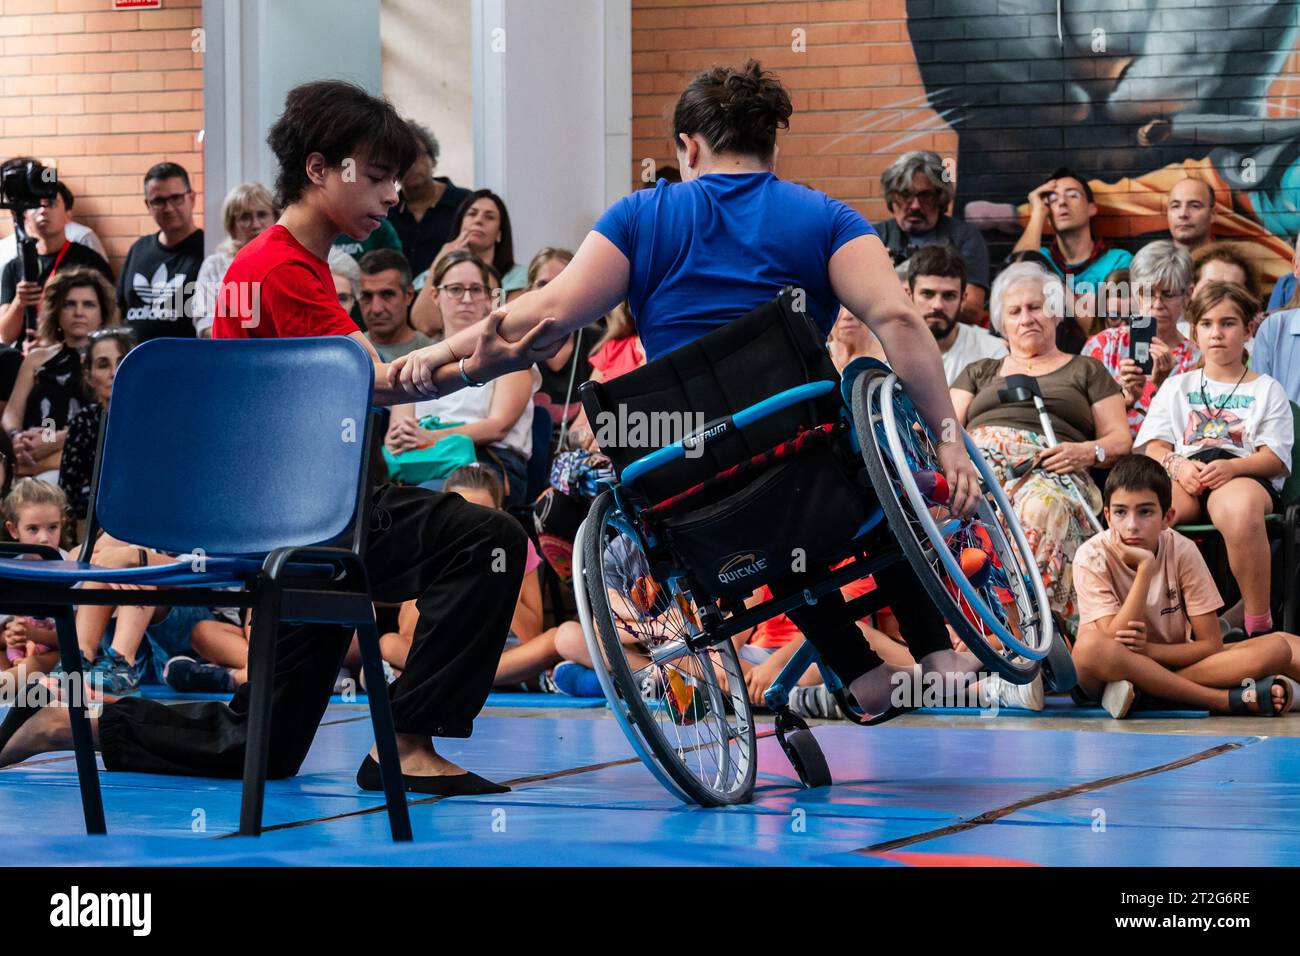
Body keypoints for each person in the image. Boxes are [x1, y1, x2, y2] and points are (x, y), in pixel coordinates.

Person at [0, 79, 553, 798]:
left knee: (256, 744)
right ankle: (408, 745)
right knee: (489, 540)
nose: (391, 197)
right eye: (377, 177)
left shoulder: (281, 264)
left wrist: (481, 352)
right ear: (321, 170)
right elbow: (379, 382)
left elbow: (376, 378)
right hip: (315, 520)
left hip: (293, 520)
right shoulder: (280, 267)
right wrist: (490, 342)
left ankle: (80, 726)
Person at [391, 59, 988, 722]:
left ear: (689, 146)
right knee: (850, 466)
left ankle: (861, 673)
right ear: (773, 147)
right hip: (805, 456)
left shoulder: (643, 215)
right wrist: (946, 439)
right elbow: (899, 320)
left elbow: (544, 316)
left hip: (687, 475)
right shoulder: (824, 217)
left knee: (764, 515)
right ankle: (934, 654)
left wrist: (430, 361)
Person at [952, 261, 1131, 621]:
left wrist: (1085, 451)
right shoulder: (980, 371)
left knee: (1042, 508)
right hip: (980, 470)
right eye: (1015, 311)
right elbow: (945, 430)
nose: (1027, 318)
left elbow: (1120, 440)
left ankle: (1029, 627)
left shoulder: (1085, 369)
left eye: (1036, 307)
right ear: (1002, 326)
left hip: (1050, 470)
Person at [1072, 455, 1294, 718]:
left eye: (1145, 512)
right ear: (1107, 516)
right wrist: (1145, 569)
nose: (1131, 525)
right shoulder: (1091, 555)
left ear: (1167, 517)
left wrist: (1149, 651)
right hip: (1109, 670)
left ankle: (1148, 695)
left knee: (1277, 649)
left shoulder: (1183, 550)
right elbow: (1116, 641)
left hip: (1171, 661)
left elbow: (1209, 645)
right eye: (1121, 512)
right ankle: (1220, 700)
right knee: (1089, 647)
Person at [1136, 281, 1293, 639]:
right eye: (1206, 324)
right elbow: (1154, 447)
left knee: (1237, 510)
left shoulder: (1266, 388)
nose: (1216, 333)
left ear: (1248, 329)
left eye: (1228, 323)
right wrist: (1178, 466)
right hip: (1187, 472)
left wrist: (1234, 467)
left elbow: (1274, 457)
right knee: (1147, 513)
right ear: (1194, 332)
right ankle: (1161, 625)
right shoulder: (1178, 386)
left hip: (1243, 473)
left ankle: (1257, 625)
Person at [386, 250, 540, 509]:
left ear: (488, 297)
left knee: (431, 500)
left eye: (476, 289)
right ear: (435, 295)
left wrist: (434, 437)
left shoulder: (511, 354)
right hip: (423, 459)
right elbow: (398, 433)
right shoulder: (414, 360)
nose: (467, 299)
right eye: (455, 289)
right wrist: (409, 438)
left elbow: (498, 426)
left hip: (488, 461)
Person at [3, 268, 117, 481]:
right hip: (30, 453)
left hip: (86, 465)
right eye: (69, 304)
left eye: (89, 304)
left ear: (103, 313)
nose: (79, 312)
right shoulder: (37, 358)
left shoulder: (113, 361)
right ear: (56, 311)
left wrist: (54, 441)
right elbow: (12, 413)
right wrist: (16, 437)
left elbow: (111, 422)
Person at [1081, 241, 1200, 438]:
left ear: (1187, 295)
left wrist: (1163, 387)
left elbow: (1194, 432)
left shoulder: (1196, 360)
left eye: (1168, 294)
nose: (1157, 304)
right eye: (1147, 293)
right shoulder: (1104, 345)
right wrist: (1124, 400)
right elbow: (1079, 417)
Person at [1012, 167, 1133, 352]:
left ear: (1092, 208)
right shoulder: (1040, 258)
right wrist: (1038, 213)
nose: (1061, 202)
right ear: (1049, 216)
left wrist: (1054, 283)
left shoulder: (1118, 261)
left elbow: (1102, 329)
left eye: (1073, 195)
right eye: (1052, 199)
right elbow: (1013, 277)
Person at [872, 150, 991, 324]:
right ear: (892, 197)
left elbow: (972, 309)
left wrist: (890, 289)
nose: (915, 205)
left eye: (925, 195)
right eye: (905, 195)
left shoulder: (964, 236)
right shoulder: (873, 237)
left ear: (940, 198)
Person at [0, 175, 112, 347]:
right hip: (26, 357)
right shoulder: (14, 267)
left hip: (77, 357)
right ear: (26, 218)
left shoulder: (89, 261)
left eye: (51, 203)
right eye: (36, 205)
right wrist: (19, 302)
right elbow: (6, 336)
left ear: (68, 214)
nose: (43, 210)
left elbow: (109, 320)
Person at [409, 189, 525, 334]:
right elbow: (425, 324)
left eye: (489, 217)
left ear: (499, 234)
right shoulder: (428, 275)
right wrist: (440, 262)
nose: (478, 220)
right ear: (460, 225)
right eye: (472, 214)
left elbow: (505, 326)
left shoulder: (519, 277)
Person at [116, 162, 205, 342]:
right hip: (137, 364)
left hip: (189, 365)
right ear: (148, 205)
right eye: (159, 201)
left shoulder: (208, 250)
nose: (169, 208)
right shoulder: (138, 249)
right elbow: (120, 310)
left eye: (176, 198)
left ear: (192, 198)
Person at [57, 329, 134, 526]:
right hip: (91, 528)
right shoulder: (83, 421)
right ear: (88, 376)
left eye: (122, 362)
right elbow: (68, 496)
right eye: (103, 365)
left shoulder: (156, 420)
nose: (115, 372)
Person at [905, 244, 1005, 385]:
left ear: (963, 299)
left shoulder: (991, 352)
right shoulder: (886, 352)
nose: (937, 305)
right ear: (909, 295)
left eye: (949, 295)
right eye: (927, 294)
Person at [388, 120, 473, 282]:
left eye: (417, 155)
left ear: (432, 160)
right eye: (402, 157)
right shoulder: (386, 211)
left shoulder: (465, 203)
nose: (411, 164)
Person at [193, 183, 277, 337]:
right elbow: (205, 326)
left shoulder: (288, 261)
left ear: (276, 218)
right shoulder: (215, 266)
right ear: (232, 226)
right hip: (231, 354)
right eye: (245, 217)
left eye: (262, 214)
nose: (256, 225)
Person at [358, 249, 431, 362]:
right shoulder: (348, 353)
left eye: (387, 295)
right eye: (366, 296)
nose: (376, 309)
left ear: (409, 295)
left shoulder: (431, 354)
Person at [1166, 177, 1216, 255]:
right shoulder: (1150, 264)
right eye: (1175, 206)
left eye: (1194, 206)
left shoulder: (1228, 265)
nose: (1183, 214)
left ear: (1212, 214)